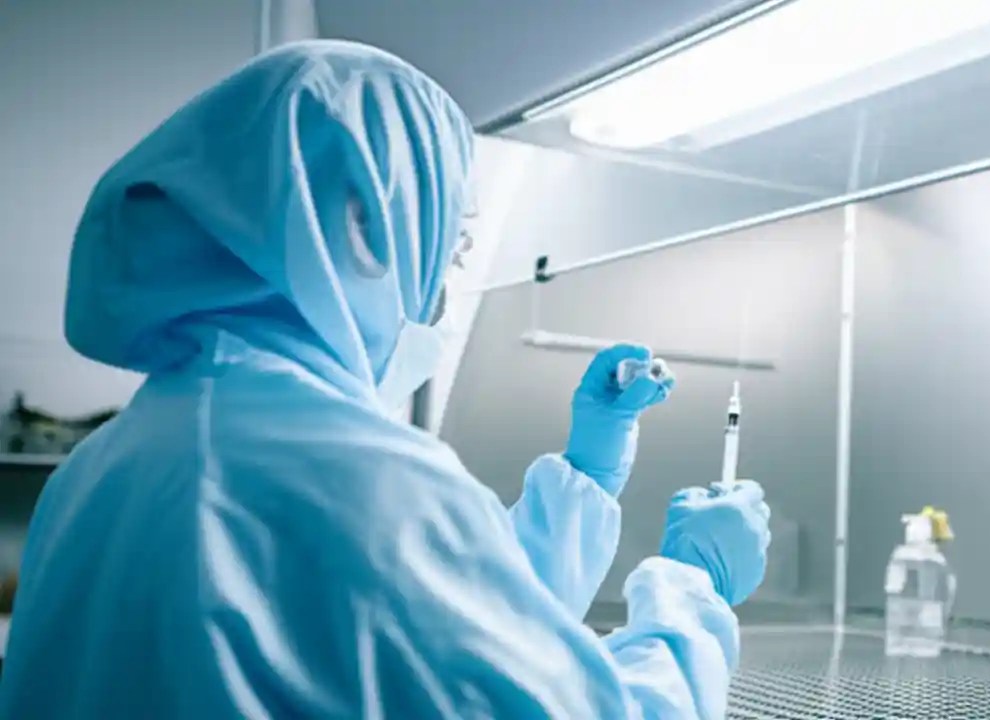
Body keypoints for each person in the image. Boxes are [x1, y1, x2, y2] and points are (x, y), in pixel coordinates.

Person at [0, 40, 771, 718]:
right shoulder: (352, 479)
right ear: (360, 226)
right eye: (447, 245)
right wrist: (689, 589)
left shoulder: (103, 467)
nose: (439, 294)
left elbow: (437, 625)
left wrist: (587, 473)